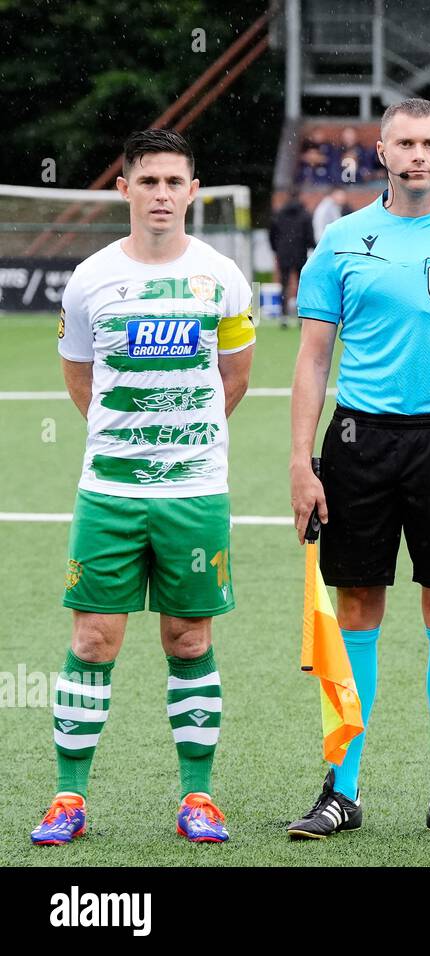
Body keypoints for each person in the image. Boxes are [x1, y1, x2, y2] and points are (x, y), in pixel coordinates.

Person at [286, 98, 430, 841]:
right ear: (381, 153)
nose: (417, 154)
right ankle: (342, 790)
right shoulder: (341, 240)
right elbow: (313, 358)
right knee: (356, 611)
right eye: (404, 143)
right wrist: (302, 459)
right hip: (359, 444)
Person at [33, 128, 256, 846]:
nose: (161, 195)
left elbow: (236, 377)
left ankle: (198, 797)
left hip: (195, 494)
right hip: (109, 493)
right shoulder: (90, 278)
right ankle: (69, 796)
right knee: (94, 639)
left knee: (189, 640)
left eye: (174, 183)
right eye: (148, 182)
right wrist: (130, 441)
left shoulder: (223, 276)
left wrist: (182, 442)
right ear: (123, 189)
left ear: (194, 192)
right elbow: (80, 380)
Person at [269, 189, 314, 321]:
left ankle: (283, 315)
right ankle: (302, 315)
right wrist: (311, 247)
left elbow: (272, 235)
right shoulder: (305, 215)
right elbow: (310, 237)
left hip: (283, 253)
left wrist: (276, 249)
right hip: (300, 253)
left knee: (284, 284)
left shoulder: (279, 214)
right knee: (302, 284)